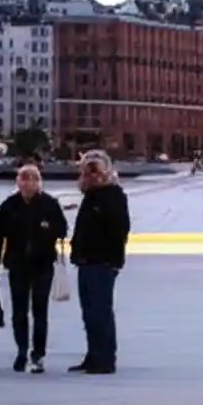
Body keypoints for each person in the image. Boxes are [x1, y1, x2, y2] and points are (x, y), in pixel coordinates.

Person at [0, 165, 68, 373]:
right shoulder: (9, 205)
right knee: (19, 310)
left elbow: (62, 229)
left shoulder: (49, 204)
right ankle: (22, 350)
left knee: (40, 310)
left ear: (39, 182)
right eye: (24, 179)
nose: (29, 183)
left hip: (42, 263)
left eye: (33, 179)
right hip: (17, 263)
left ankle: (38, 354)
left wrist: (46, 229)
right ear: (18, 182)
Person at [69, 150, 131, 375]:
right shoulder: (90, 195)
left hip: (103, 262)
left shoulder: (113, 195)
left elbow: (120, 229)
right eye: (88, 171)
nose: (92, 176)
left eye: (96, 171)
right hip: (86, 261)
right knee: (89, 312)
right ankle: (93, 354)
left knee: (100, 311)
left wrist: (114, 260)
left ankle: (105, 358)